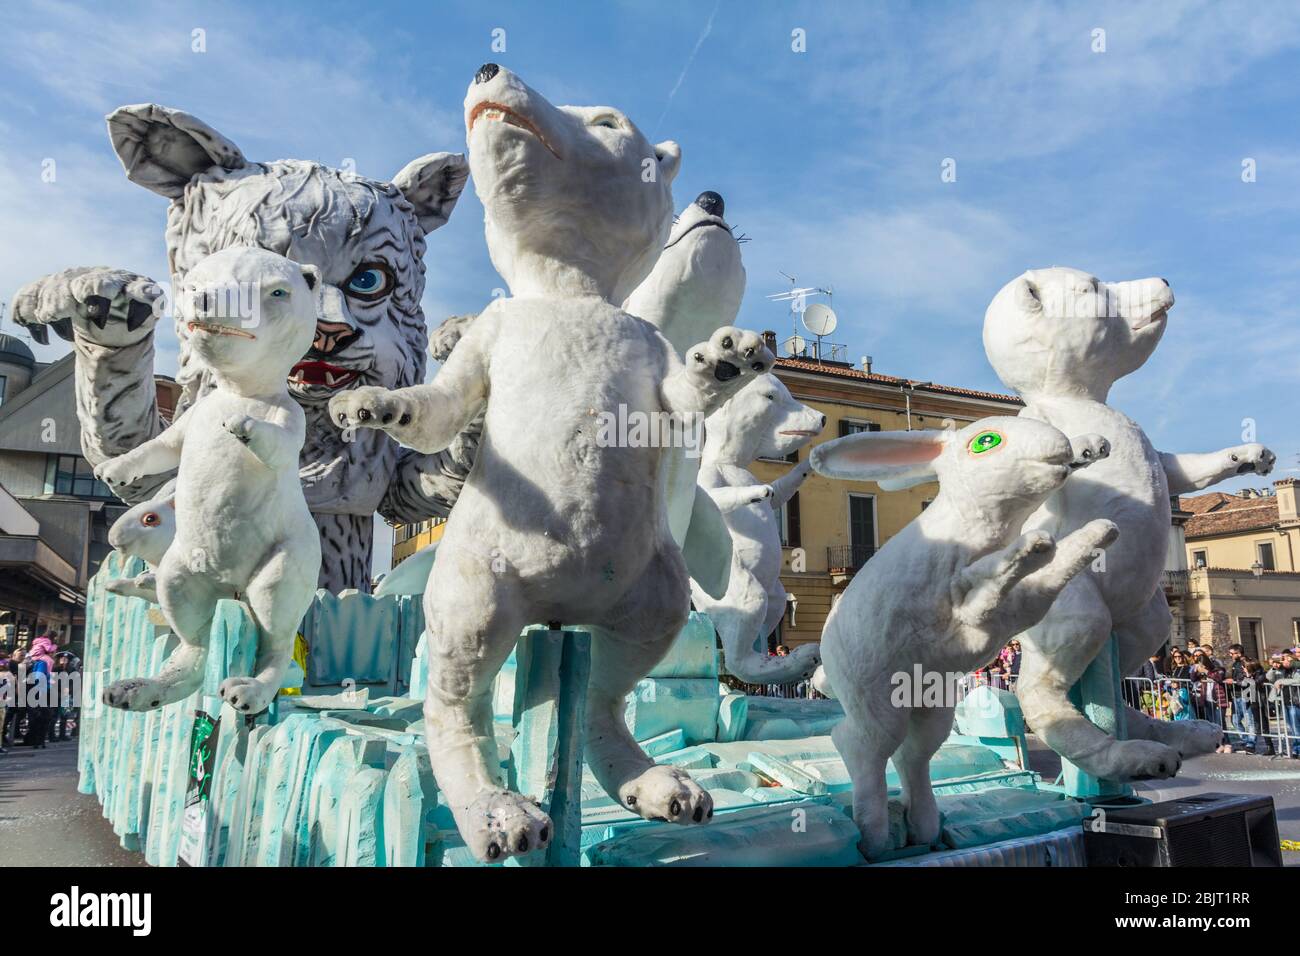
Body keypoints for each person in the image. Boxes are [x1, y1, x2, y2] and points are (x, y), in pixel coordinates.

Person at [22, 634, 57, 749]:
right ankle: (38, 740)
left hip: (32, 691)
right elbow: (39, 678)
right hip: (40, 692)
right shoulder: (44, 662)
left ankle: (35, 740)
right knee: (42, 717)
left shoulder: (32, 660)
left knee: (36, 717)